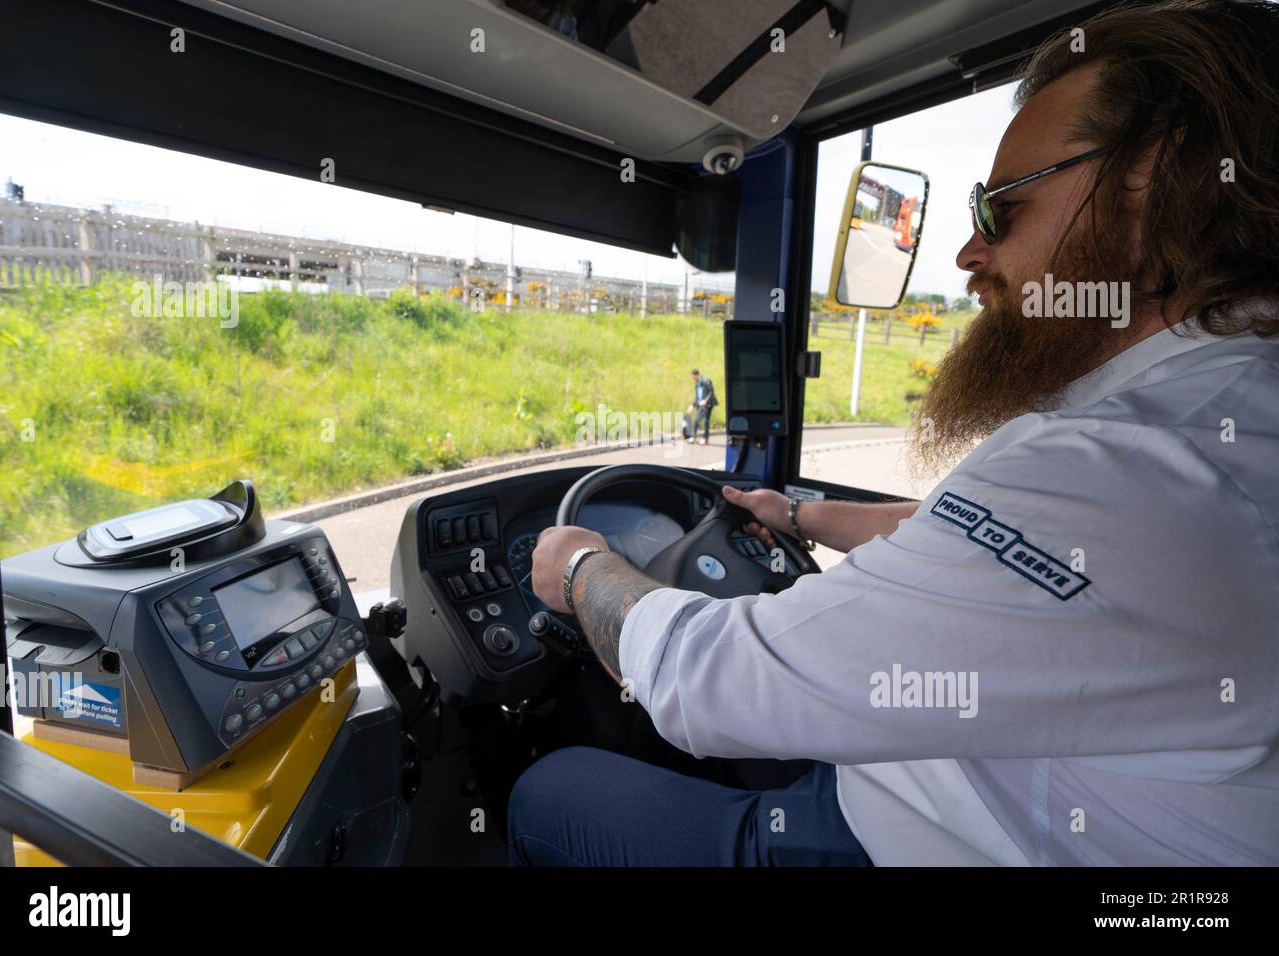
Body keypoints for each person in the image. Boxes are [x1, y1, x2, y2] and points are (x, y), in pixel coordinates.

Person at [510, 0, 1279, 866]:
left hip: (926, 837)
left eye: (1001, 208)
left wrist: (579, 568)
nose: (970, 254)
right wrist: (800, 516)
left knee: (553, 791)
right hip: (968, 783)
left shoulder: (1131, 462)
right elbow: (992, 550)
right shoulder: (1221, 412)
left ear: (1152, 180)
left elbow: (707, 683)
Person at [686, 368, 717, 445]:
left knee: (706, 421)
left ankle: (705, 439)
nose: (693, 379)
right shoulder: (697, 384)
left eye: (694, 377)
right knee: (696, 420)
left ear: (697, 375)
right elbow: (697, 397)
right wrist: (692, 405)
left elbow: (711, 392)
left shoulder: (707, 381)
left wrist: (705, 400)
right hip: (701, 405)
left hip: (709, 404)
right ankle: (693, 437)